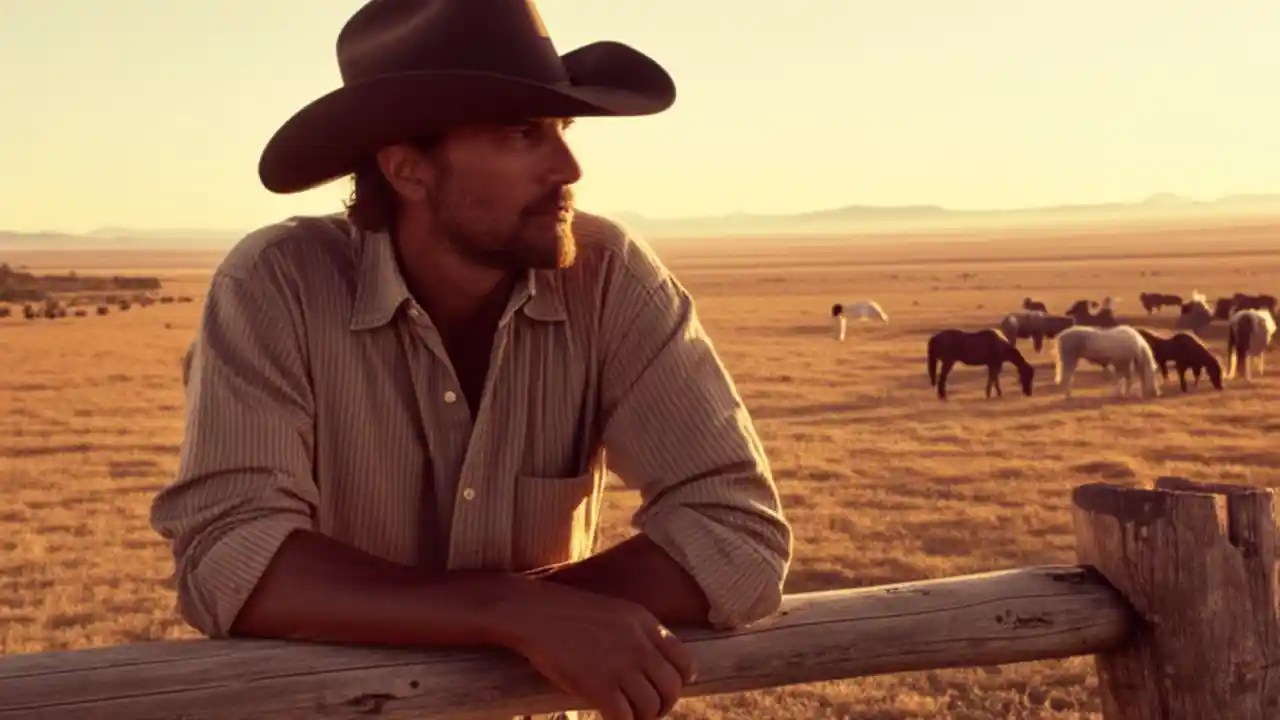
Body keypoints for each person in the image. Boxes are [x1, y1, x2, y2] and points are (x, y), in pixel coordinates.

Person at [149, 2, 792, 719]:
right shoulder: (277, 285)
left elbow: (737, 533)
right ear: (407, 168)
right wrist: (512, 612)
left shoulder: (610, 278)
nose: (569, 166)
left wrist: (533, 613)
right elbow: (231, 558)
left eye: (561, 130)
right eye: (522, 134)